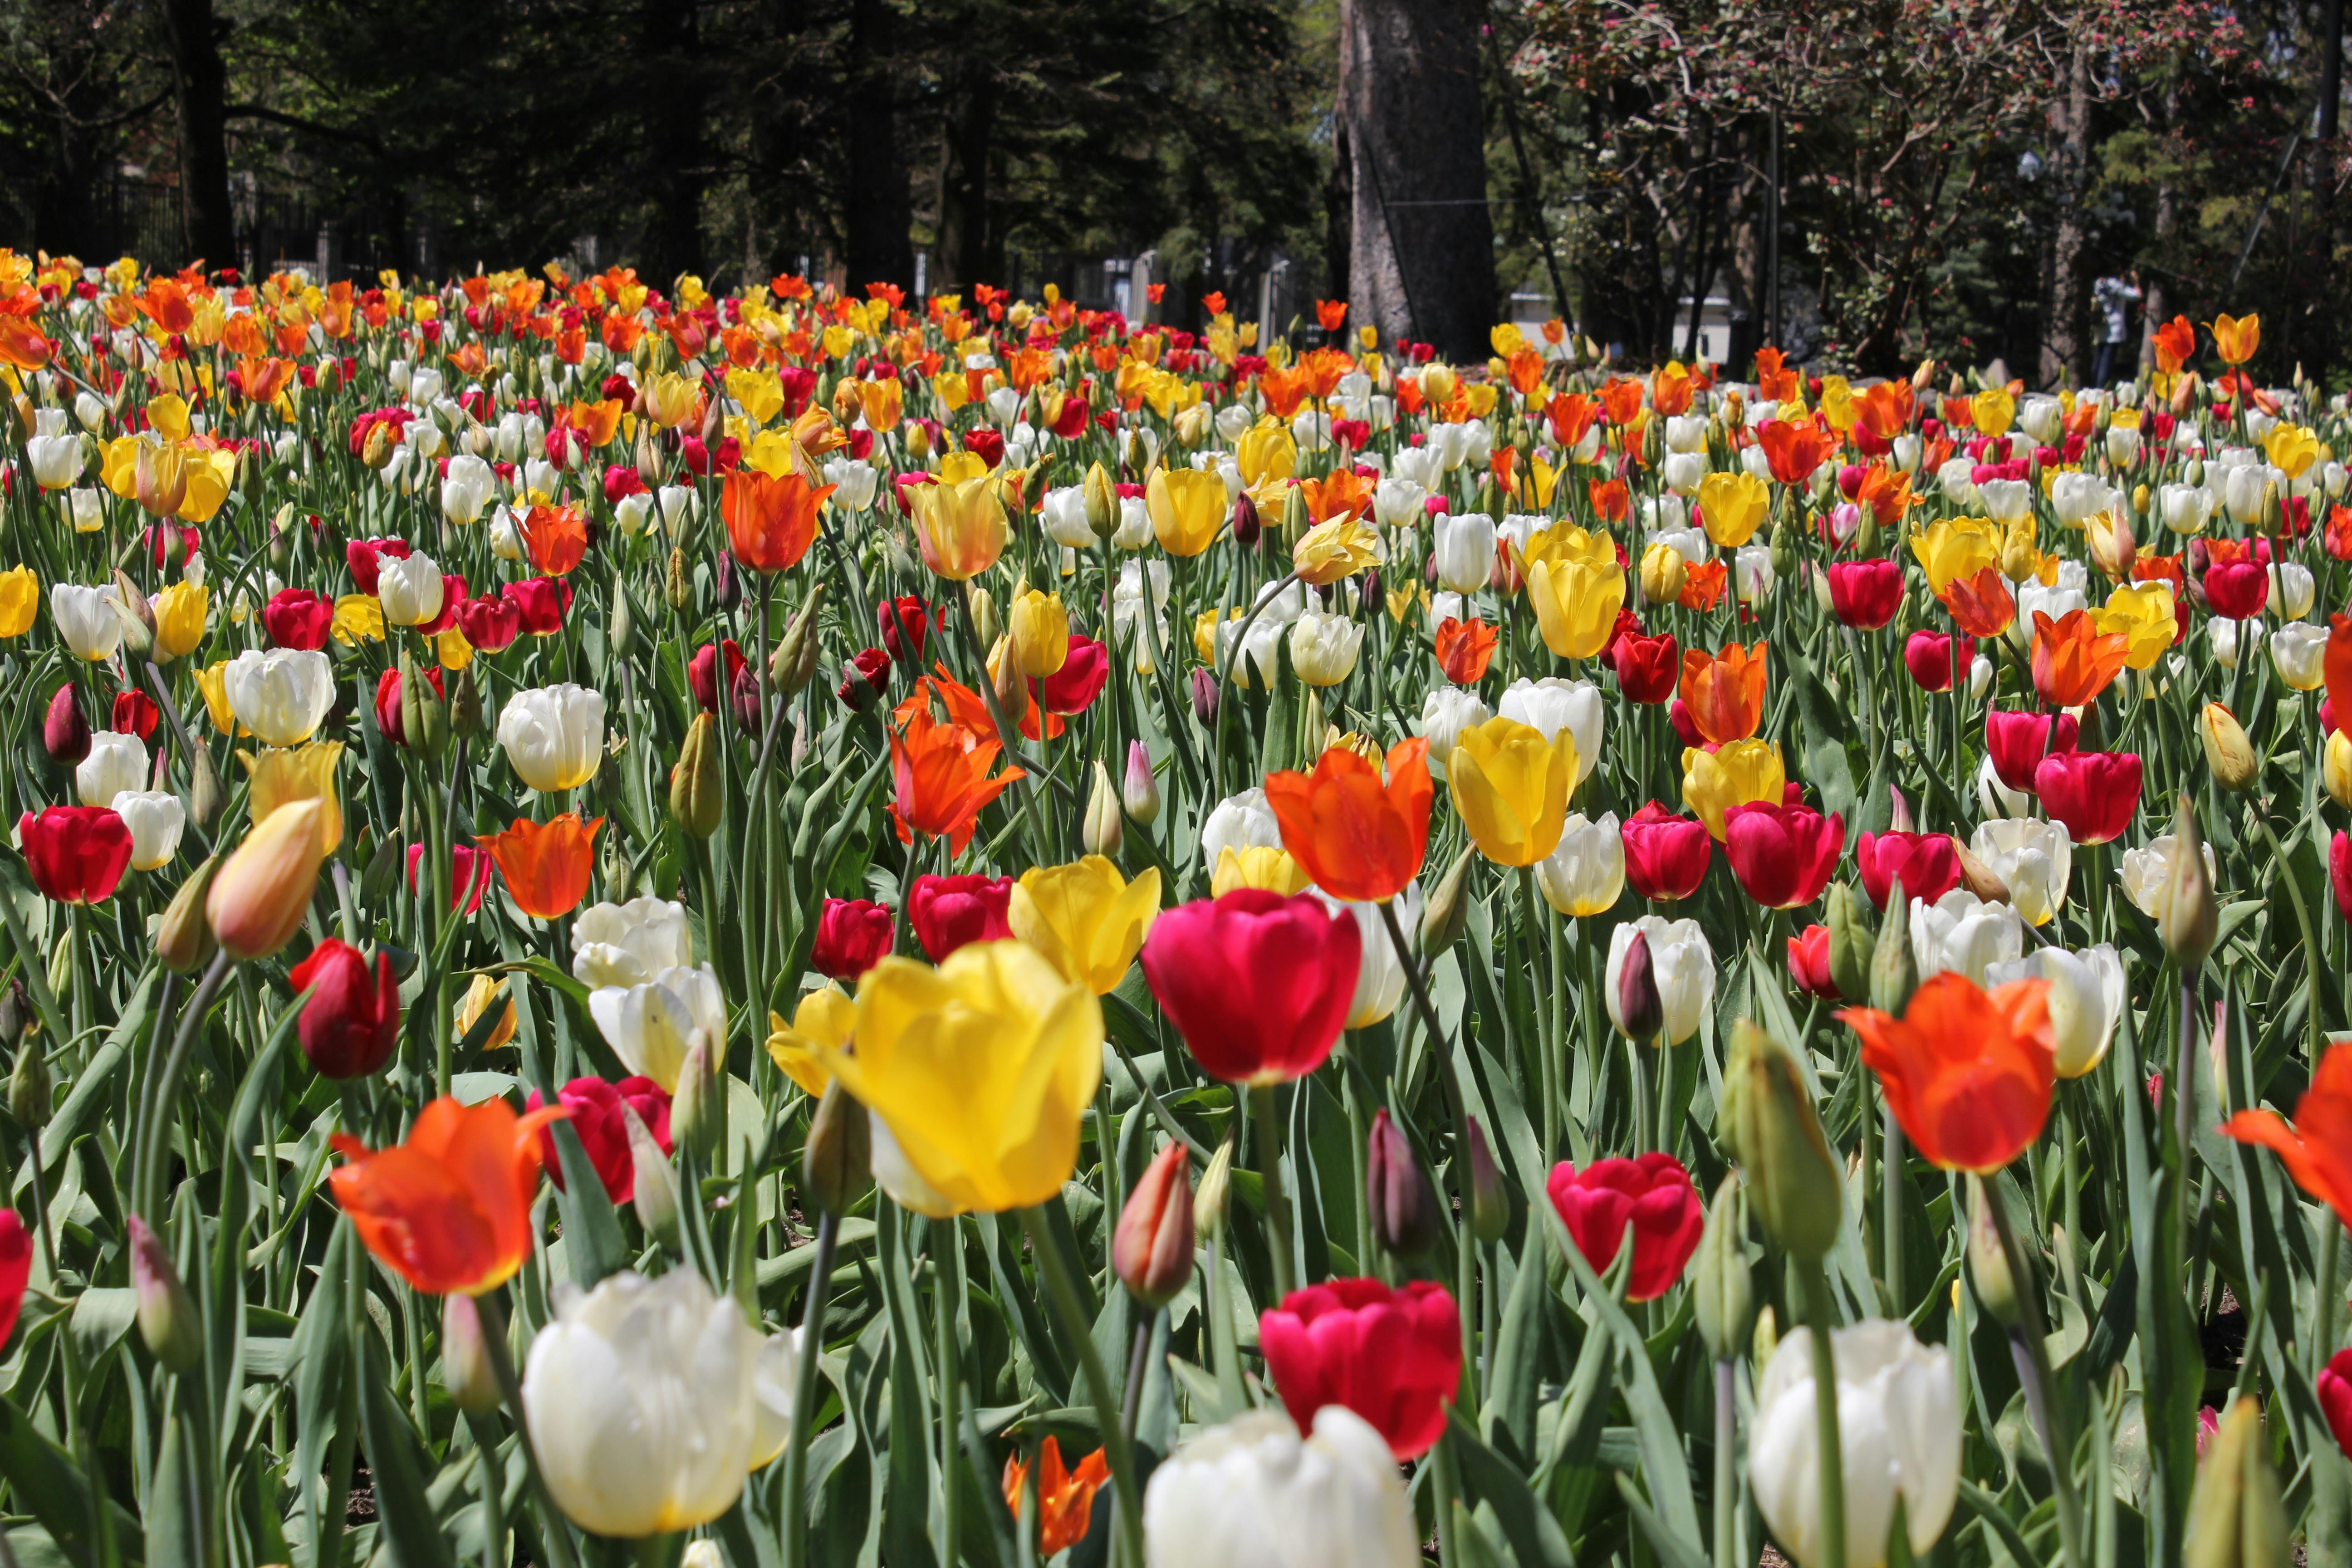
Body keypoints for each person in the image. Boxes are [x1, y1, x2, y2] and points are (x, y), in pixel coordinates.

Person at [2091, 270, 2141, 388]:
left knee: (2098, 360)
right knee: (2106, 363)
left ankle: (2094, 388)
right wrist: (2136, 281)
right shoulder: (2116, 284)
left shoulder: (2099, 282)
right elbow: (2137, 295)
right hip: (2114, 330)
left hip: (2101, 326)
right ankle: (2101, 389)